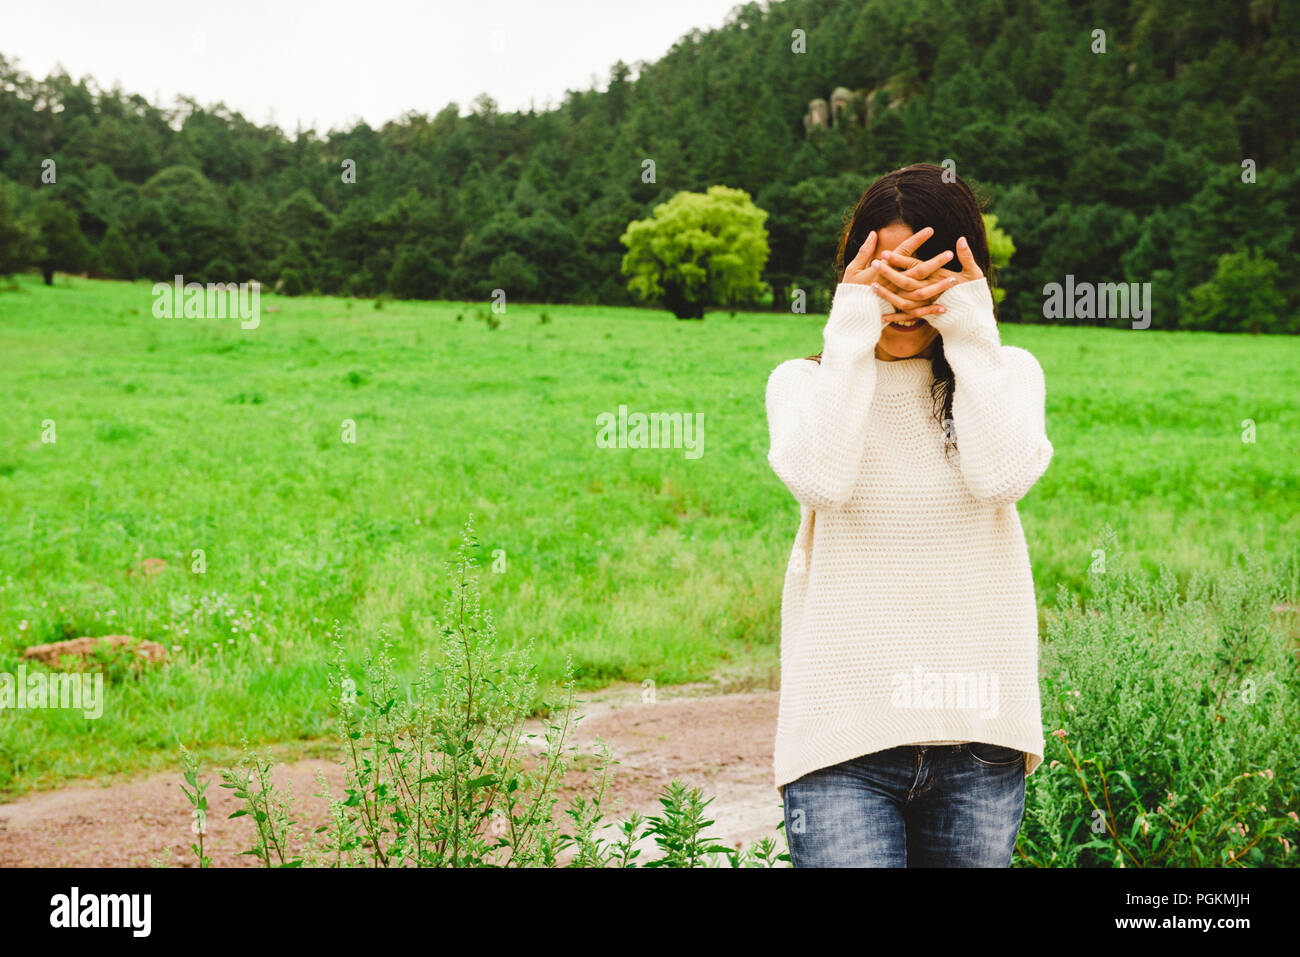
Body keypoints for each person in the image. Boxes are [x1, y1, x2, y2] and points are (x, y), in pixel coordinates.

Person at [766, 163, 1053, 867]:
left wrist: (972, 333)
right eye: (885, 276)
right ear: (852, 277)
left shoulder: (1007, 374)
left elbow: (1003, 476)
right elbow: (821, 482)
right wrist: (851, 336)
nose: (902, 300)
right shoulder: (805, 383)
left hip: (979, 738)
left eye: (924, 275)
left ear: (965, 275)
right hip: (841, 743)